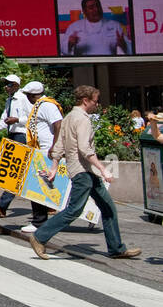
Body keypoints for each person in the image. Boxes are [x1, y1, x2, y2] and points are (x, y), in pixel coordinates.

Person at [30, 85, 141, 260]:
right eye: (95, 101)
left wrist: (54, 167)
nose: (97, 105)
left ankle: (116, 248)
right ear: (86, 100)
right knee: (74, 210)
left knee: (108, 207)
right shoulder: (82, 119)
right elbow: (85, 148)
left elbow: (58, 146)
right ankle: (39, 236)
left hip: (84, 171)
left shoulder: (68, 117)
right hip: (83, 171)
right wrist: (104, 170)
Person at [16, 81, 63, 234]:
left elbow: (58, 124)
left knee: (36, 186)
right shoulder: (41, 105)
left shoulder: (47, 105)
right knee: (38, 185)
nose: (27, 98)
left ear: (33, 95)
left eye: (28, 95)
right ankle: (39, 220)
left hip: (46, 152)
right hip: (40, 151)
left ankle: (39, 222)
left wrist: (54, 147)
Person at [0, 74, 33, 218]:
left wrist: (17, 120)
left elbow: (33, 117)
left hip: (21, 135)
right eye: (5, 84)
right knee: (21, 173)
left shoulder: (24, 99)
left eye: (9, 84)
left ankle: (2, 205)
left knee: (15, 172)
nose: (6, 87)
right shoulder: (9, 100)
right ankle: (46, 205)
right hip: (13, 135)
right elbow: (4, 120)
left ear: (17, 85)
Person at [60, 0, 132, 56]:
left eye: (98, 6)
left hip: (108, 66)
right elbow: (64, 50)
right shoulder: (74, 27)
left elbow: (131, 51)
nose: (96, 9)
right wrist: (70, 44)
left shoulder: (115, 25)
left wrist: (123, 45)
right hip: (83, 66)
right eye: (91, 7)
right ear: (84, 11)